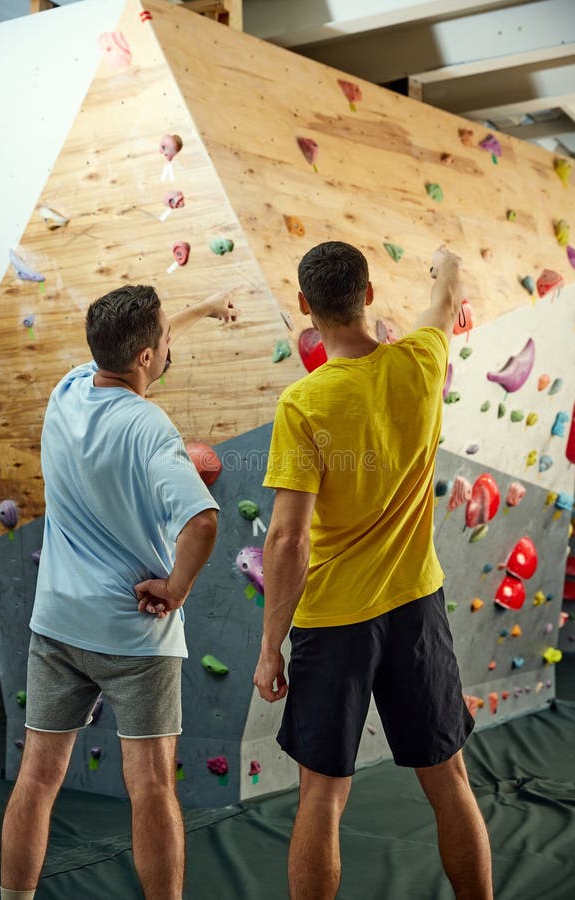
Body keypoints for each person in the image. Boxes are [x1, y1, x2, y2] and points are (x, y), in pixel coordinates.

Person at [254, 242, 493, 900]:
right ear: (367, 295)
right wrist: (445, 258)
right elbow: (445, 297)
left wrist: (270, 645)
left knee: (322, 799)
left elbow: (288, 539)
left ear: (306, 308)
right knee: (450, 782)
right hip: (416, 607)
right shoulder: (420, 361)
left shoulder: (304, 404)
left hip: (334, 623)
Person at [0, 284, 239, 900]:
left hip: (56, 627)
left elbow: (142, 344)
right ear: (146, 357)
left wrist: (204, 307)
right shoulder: (151, 428)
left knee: (37, 777)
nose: (166, 345)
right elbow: (203, 521)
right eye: (162, 340)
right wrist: (176, 588)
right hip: (134, 633)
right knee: (153, 786)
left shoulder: (69, 389)